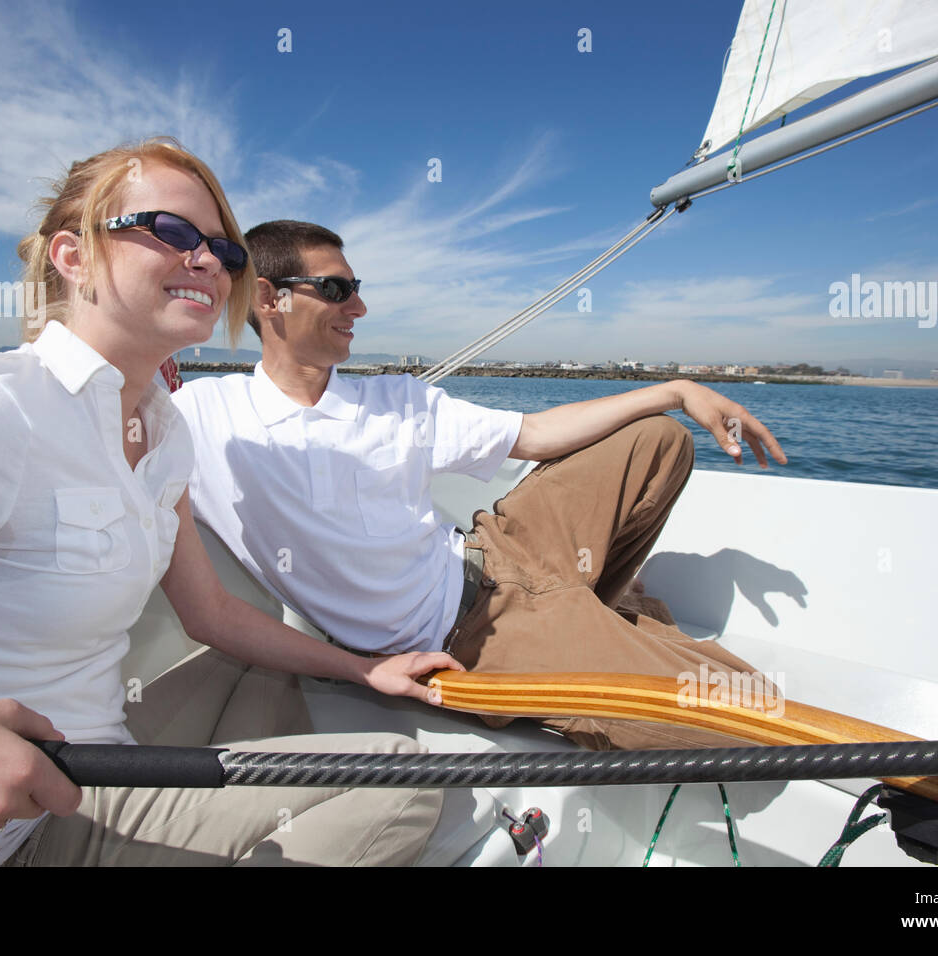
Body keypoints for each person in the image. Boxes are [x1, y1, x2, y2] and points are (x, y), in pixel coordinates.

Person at [0, 143, 457, 866]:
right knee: (399, 777)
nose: (207, 261)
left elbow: (213, 615)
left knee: (260, 670)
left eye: (224, 248)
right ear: (72, 257)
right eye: (171, 231)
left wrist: (366, 669)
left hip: (95, 760)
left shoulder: (164, 431)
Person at [171, 220, 789, 751]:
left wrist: (677, 393)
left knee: (658, 439)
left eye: (357, 290)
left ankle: (595, 606)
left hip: (495, 547)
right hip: (471, 633)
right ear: (267, 299)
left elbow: (536, 435)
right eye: (336, 290)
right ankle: (606, 622)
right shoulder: (200, 418)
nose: (358, 308)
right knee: (750, 713)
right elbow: (99, 385)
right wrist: (362, 671)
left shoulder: (394, 397)